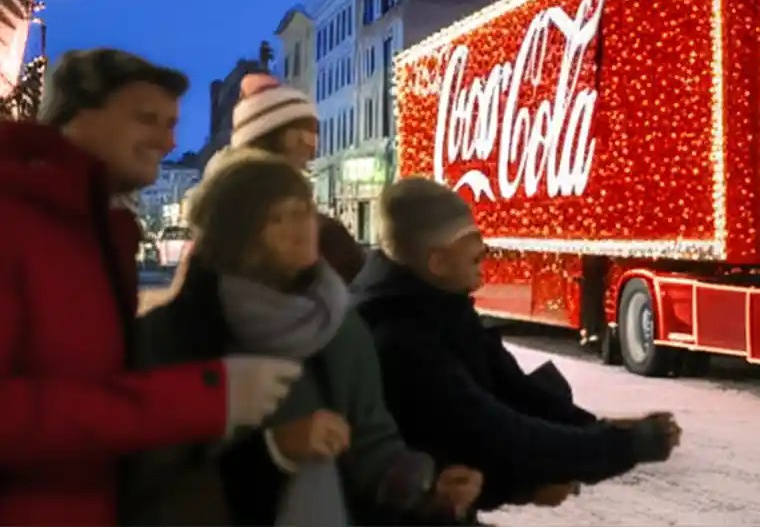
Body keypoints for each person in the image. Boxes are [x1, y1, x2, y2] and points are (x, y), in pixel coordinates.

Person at [0, 48, 303, 525]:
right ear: (80, 114)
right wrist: (200, 398)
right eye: (147, 119)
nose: (167, 141)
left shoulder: (98, 229)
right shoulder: (16, 217)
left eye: (172, 123)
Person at [133, 149, 482, 525]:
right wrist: (272, 451)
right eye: (277, 217)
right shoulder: (174, 331)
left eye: (304, 210)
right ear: (233, 233)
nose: (299, 227)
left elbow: (373, 447)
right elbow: (149, 469)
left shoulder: (338, 326)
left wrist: (429, 487)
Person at [353, 176, 682, 520]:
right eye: (475, 261)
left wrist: (599, 429)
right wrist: (621, 447)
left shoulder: (437, 307)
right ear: (438, 263)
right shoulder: (402, 338)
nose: (483, 271)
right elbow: (493, 430)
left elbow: (513, 388)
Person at [212, 72, 365, 282]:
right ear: (289, 139)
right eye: (310, 132)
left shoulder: (215, 221)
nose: (313, 148)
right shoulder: (319, 234)